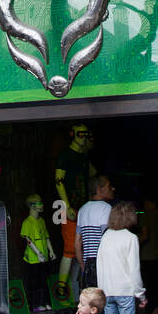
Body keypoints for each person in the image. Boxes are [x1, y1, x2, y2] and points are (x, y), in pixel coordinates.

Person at [55, 123, 95, 298]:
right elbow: (59, 181)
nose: (83, 137)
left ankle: (73, 288)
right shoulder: (65, 156)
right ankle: (62, 288)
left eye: (86, 134)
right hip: (69, 208)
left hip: (82, 207)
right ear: (72, 134)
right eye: (81, 134)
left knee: (81, 247)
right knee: (69, 247)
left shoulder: (83, 158)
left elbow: (94, 173)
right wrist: (67, 205)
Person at [75, 174, 115, 289]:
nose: (112, 189)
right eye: (109, 186)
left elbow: (77, 242)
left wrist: (83, 265)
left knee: (93, 302)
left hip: (88, 264)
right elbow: (108, 238)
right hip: (104, 264)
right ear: (99, 189)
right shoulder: (106, 208)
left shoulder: (82, 210)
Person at [19, 194, 55, 313]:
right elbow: (28, 240)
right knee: (35, 281)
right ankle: (36, 304)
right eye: (39, 203)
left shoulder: (41, 221)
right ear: (32, 206)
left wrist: (51, 250)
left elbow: (46, 236)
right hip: (33, 258)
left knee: (44, 280)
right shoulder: (27, 222)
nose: (42, 205)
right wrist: (38, 253)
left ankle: (45, 301)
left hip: (44, 256)